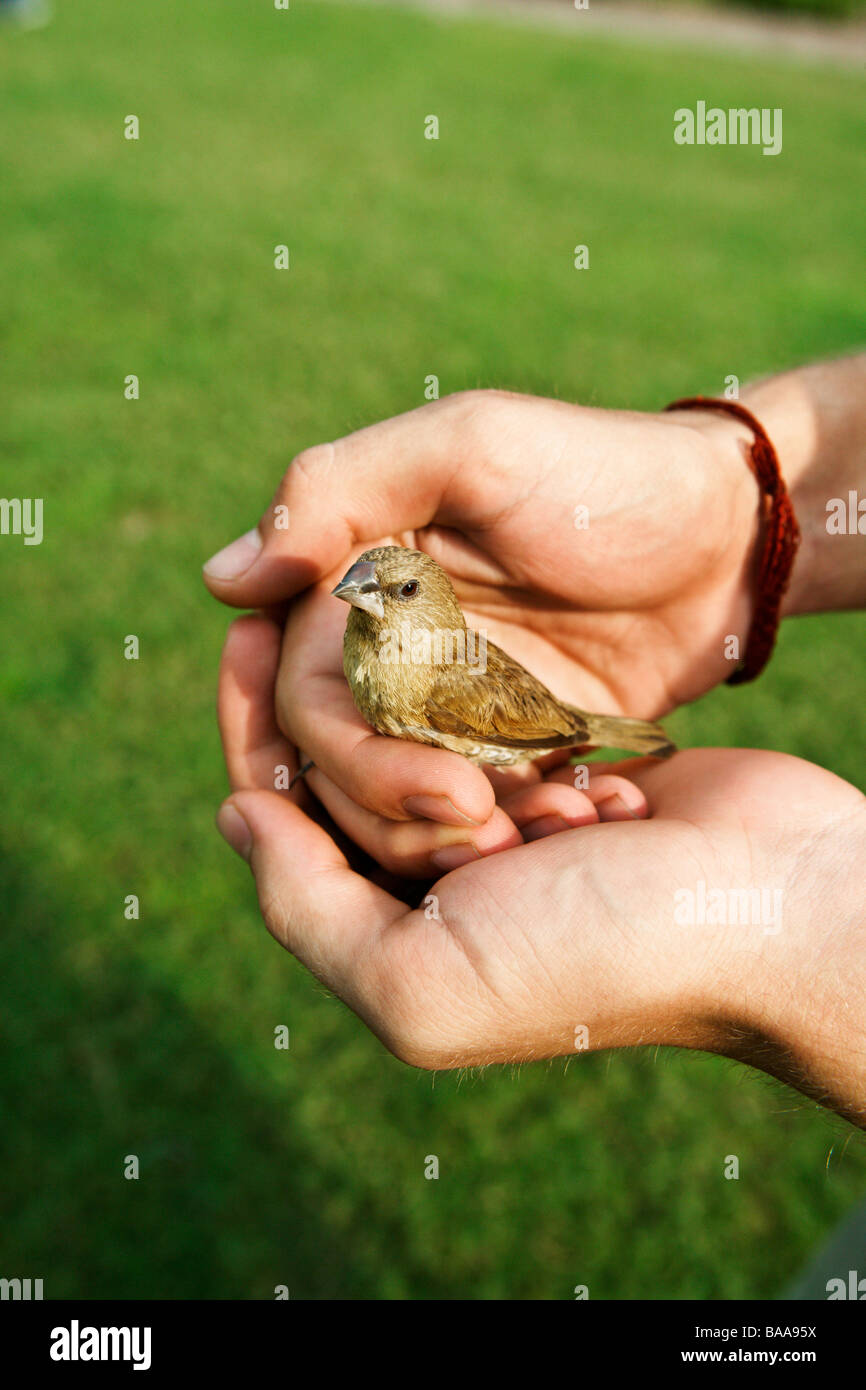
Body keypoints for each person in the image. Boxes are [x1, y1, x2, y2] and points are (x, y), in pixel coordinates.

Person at [203, 355, 866, 1126]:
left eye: (396, 589)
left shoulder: (446, 679)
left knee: (448, 790)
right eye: (362, 581)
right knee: (418, 789)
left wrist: (811, 923)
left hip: (530, 721)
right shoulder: (365, 637)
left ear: (430, 603)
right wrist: (735, 504)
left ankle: (565, 745)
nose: (363, 594)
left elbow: (514, 713)